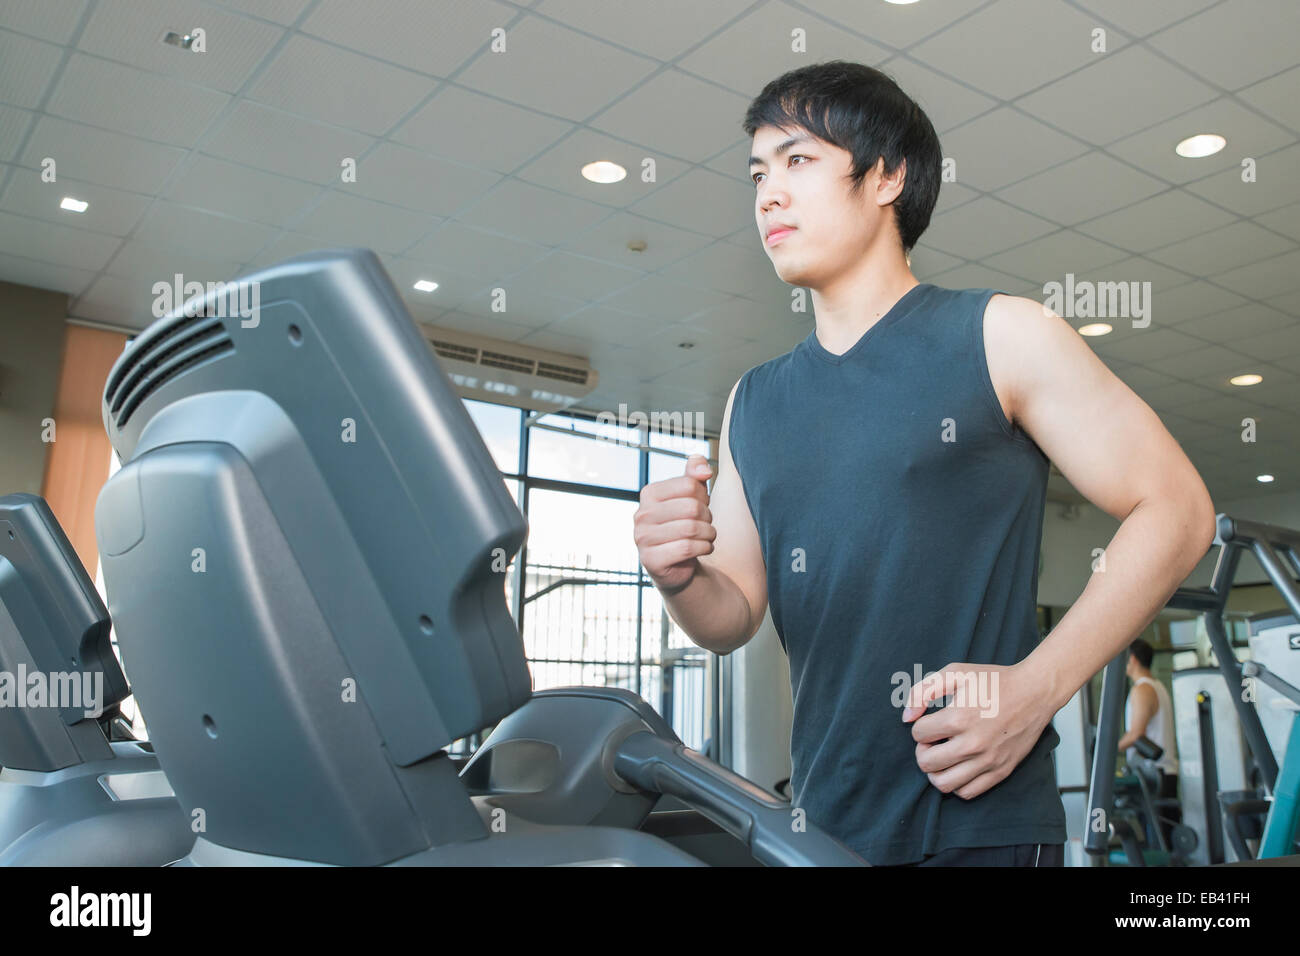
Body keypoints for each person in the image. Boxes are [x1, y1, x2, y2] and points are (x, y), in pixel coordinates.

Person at [631, 60, 1216, 866]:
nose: (768, 193)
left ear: (887, 176)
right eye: (758, 172)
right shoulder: (752, 400)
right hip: (822, 831)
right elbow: (732, 616)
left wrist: (1040, 687)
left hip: (981, 824)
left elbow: (1178, 509)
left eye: (799, 161)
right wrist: (679, 576)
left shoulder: (1001, 336)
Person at [1118, 638, 1179, 802]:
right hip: (1162, 772)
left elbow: (1136, 734)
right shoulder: (1157, 686)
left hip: (1154, 774)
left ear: (1132, 659)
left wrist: (1107, 751)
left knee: (1156, 827)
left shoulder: (1142, 689)